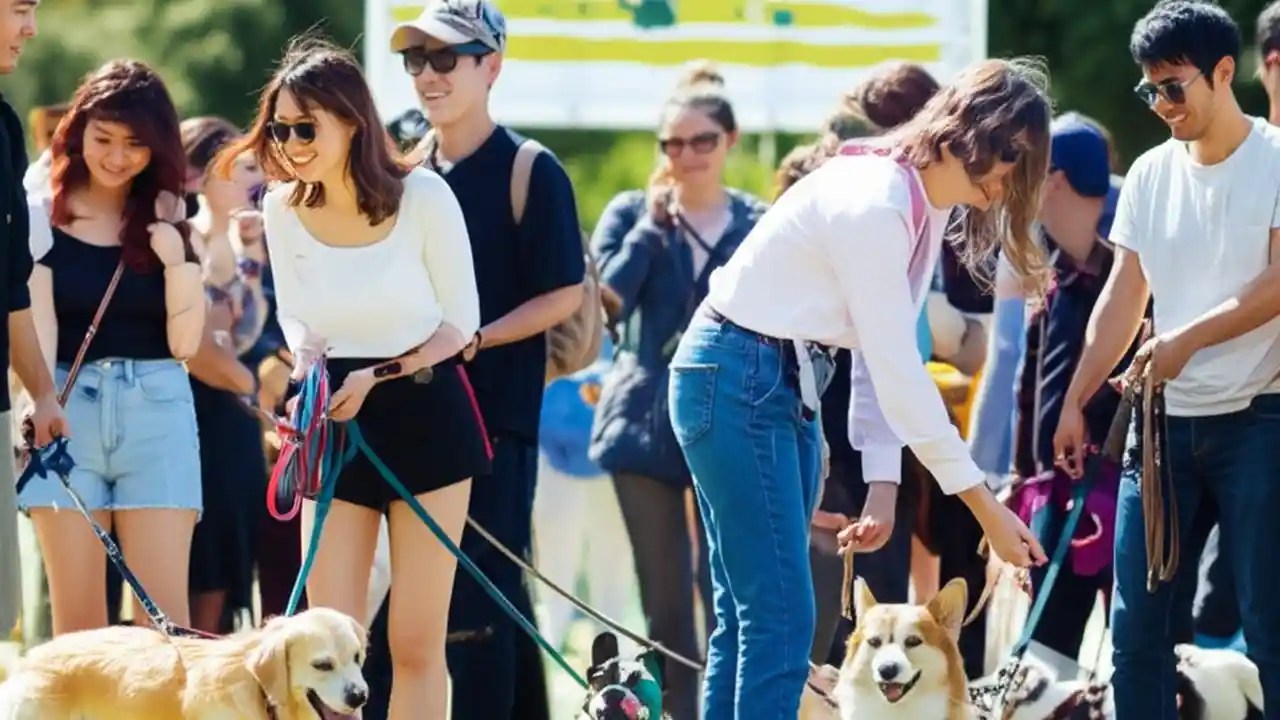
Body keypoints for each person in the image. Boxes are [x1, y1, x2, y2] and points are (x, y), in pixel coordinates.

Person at [667, 57, 1051, 716]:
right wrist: (986, 506)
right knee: (781, 618)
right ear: (986, 138)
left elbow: (881, 359)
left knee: (753, 614)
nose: (1014, 181)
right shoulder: (878, 201)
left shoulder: (913, 199)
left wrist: (884, 482)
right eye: (1016, 159)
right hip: (740, 376)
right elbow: (900, 373)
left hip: (764, 377)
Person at [213, 37, 488, 720]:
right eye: (279, 128)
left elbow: (461, 328)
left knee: (417, 642)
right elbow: (302, 320)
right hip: (333, 421)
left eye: (306, 126)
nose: (291, 141)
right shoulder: (280, 208)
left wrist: (375, 375)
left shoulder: (424, 195)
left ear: (352, 121)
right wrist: (305, 376)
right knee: (327, 639)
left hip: (427, 415)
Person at [1054, 3, 1280, 718]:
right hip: (1161, 431)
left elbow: (1277, 282)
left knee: (1271, 630)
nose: (1161, 105)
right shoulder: (1150, 174)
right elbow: (1124, 295)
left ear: (1222, 73)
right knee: (1136, 634)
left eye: (1174, 87)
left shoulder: (1274, 160)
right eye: (1148, 91)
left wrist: (1186, 340)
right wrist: (1076, 397)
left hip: (1260, 421)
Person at [388, 3, 586, 718]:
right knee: (444, 607)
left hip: (496, 420)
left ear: (491, 65)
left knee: (478, 610)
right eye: (416, 60)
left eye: (447, 59)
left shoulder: (531, 167)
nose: (428, 76)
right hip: (408, 421)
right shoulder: (406, 172)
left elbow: (563, 291)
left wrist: (478, 337)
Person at [588, 62, 766, 720]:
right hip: (643, 420)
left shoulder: (760, 221)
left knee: (726, 589)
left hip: (735, 418)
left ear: (730, 142)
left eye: (702, 141)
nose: (686, 156)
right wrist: (649, 229)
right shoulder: (633, 212)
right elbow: (603, 304)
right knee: (664, 599)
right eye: (673, 144)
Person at [17, 59, 205, 636]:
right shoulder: (41, 212)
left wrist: (179, 262)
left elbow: (186, 343)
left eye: (135, 144)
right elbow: (38, 327)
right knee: (78, 635)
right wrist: (39, 401)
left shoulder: (169, 212)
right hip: (69, 410)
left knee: (163, 627)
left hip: (158, 407)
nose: (118, 157)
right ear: (77, 132)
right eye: (103, 139)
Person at [1011, 113, 1129, 675]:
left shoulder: (1136, 269)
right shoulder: (1052, 271)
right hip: (1055, 500)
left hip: (1131, 495)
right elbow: (1030, 392)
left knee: (1140, 655)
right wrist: (1019, 488)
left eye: (1023, 166)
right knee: (1044, 662)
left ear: (1051, 178)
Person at [180, 116, 269, 634]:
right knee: (191, 564)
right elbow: (201, 351)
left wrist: (251, 253)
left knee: (224, 573)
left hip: (234, 425)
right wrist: (250, 383)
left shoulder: (245, 242)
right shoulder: (182, 239)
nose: (254, 181)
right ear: (200, 176)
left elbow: (248, 332)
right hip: (190, 414)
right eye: (242, 168)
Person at [0, 0, 66, 643]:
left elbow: (9, 285)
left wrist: (42, 390)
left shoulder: (2, 126)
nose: (31, 29)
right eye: (20, 9)